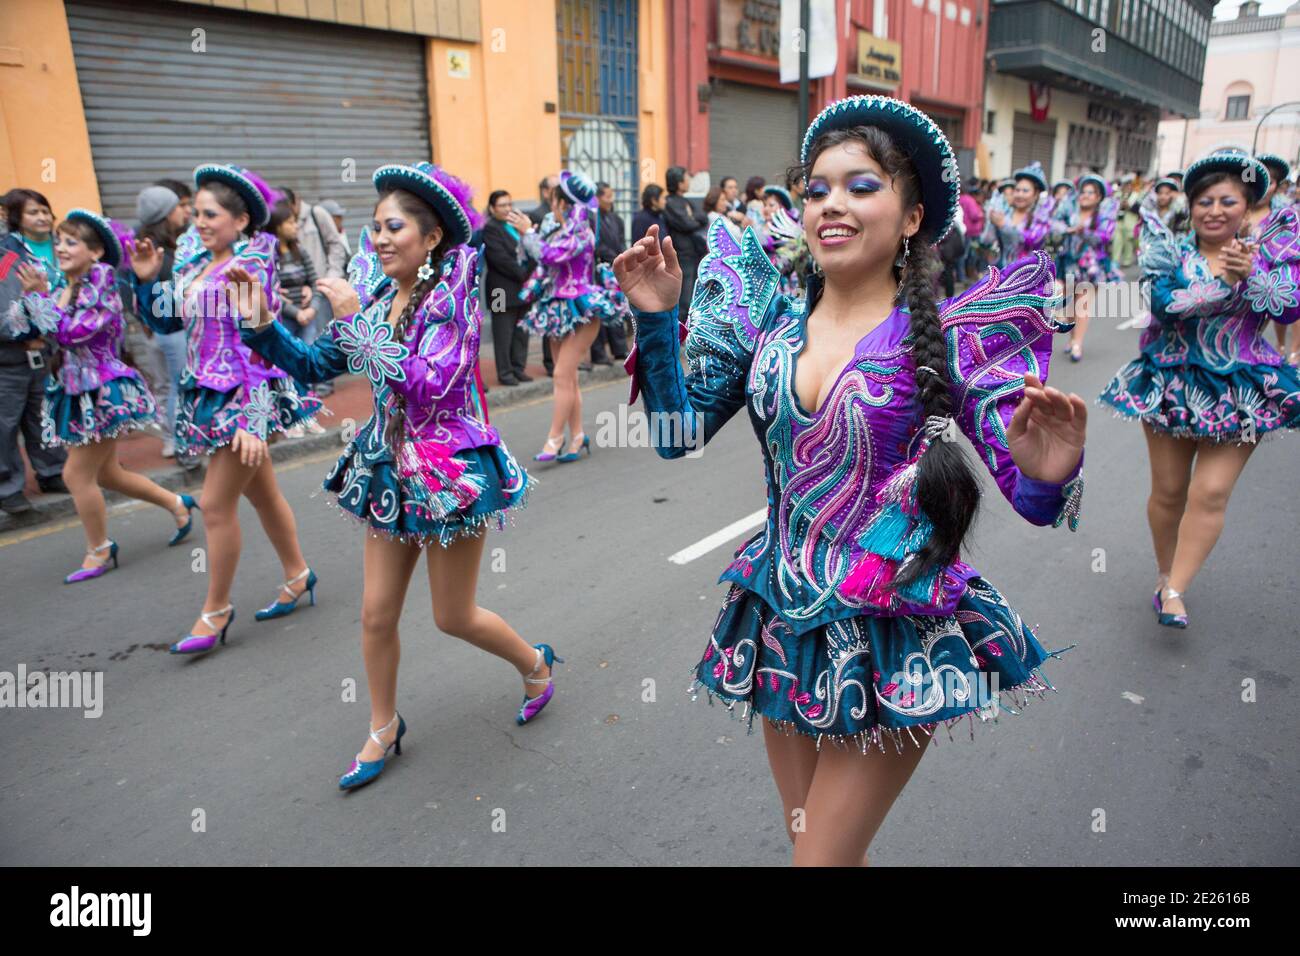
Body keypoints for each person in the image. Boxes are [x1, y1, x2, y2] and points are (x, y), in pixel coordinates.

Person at [615, 95, 1086, 866]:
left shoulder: (945, 342)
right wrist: (657, 318)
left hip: (893, 629)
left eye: (862, 186)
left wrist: (1048, 470)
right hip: (781, 621)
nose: (833, 203)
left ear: (909, 218)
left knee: (818, 860)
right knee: (817, 846)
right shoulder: (770, 326)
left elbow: (1034, 500)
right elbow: (675, 437)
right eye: (818, 188)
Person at [239, 161, 550, 790]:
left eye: (393, 226)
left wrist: (356, 322)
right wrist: (263, 326)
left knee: (451, 615)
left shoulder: (453, 299)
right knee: (376, 616)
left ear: (431, 237)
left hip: (449, 472)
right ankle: (384, 725)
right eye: (375, 227)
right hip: (388, 471)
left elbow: (430, 386)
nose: (378, 238)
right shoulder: (378, 295)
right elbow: (309, 365)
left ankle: (536, 665)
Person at [1098, 152, 1300, 628]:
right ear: (1190, 207)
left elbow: (1289, 308)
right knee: (1170, 492)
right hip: (1171, 382)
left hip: (1244, 390)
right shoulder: (1171, 252)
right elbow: (1166, 305)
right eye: (1203, 200)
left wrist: (1251, 275)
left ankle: (1175, 589)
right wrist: (1223, 281)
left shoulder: (1271, 252)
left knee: (1210, 493)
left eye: (1227, 200)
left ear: (1248, 206)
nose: (1214, 210)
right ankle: (1165, 569)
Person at [130, 163, 323, 654]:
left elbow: (256, 343)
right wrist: (150, 282)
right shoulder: (195, 263)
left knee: (216, 505)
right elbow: (166, 322)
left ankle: (215, 610)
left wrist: (253, 420)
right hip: (206, 393)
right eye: (195, 213)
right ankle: (299, 575)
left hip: (244, 395)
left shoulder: (250, 264)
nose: (200, 221)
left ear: (240, 221)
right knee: (260, 493)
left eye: (211, 214)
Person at [12, 209, 198, 580]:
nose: (61, 248)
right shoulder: (65, 282)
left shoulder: (103, 283)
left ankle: (99, 549)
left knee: (75, 476)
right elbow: (24, 327)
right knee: (108, 474)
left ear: (96, 252)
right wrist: (36, 298)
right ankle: (178, 503)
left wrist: (40, 300)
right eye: (59, 241)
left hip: (101, 391)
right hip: (73, 389)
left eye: (71, 241)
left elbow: (70, 333)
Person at [518, 170, 618, 462]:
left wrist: (528, 233)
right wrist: (528, 236)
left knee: (561, 374)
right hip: (556, 306)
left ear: (562, 203)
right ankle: (577, 437)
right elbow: (529, 258)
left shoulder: (580, 233)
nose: (552, 204)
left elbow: (548, 255)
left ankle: (554, 438)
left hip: (583, 306)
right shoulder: (556, 229)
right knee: (568, 377)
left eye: (555, 199)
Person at [0, 189, 67, 512]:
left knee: (43, 415)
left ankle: (52, 471)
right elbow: (6, 306)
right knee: (6, 422)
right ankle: (8, 487)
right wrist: (24, 331)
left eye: (45, 210)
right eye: (32, 212)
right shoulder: (7, 257)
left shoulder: (61, 248)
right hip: (12, 355)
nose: (42, 217)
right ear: (14, 218)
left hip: (49, 351)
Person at [132, 184, 195, 461]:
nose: (187, 212)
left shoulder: (163, 246)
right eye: (179, 207)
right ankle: (182, 444)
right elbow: (161, 306)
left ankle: (176, 439)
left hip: (164, 330)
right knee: (179, 387)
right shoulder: (155, 252)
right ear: (166, 213)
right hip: (171, 330)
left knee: (170, 386)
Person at [1052, 173, 1120, 362]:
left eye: (1091, 193)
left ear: (1098, 197)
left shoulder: (1103, 215)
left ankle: (1077, 344)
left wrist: (1086, 232)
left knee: (1083, 305)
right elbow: (1053, 226)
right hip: (1067, 262)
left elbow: (1105, 237)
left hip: (1091, 266)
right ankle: (1073, 337)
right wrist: (1067, 229)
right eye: (1083, 192)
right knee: (1066, 305)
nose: (1086, 195)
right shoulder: (1069, 210)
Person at [481, 189, 535, 386]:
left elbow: (531, 250)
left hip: (523, 287)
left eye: (509, 204)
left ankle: (518, 368)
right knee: (502, 332)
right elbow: (500, 259)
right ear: (492, 208)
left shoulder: (516, 226)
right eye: (502, 205)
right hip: (499, 290)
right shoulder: (490, 228)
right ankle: (505, 373)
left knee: (522, 330)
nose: (507, 209)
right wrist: (524, 273)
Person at [981, 162, 1054, 268]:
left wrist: (1003, 225)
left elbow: (1029, 241)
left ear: (1035, 194)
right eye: (1017, 190)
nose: (1020, 195)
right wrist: (991, 222)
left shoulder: (1041, 219)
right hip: (1001, 274)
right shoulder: (1006, 213)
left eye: (1025, 191)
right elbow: (986, 241)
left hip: (1027, 276)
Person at [591, 181, 630, 364]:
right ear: (597, 198)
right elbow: (595, 245)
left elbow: (621, 241)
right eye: (607, 196)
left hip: (615, 269)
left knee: (617, 308)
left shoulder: (615, 219)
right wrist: (612, 256)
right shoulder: (592, 219)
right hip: (598, 270)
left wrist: (622, 257)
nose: (610, 200)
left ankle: (620, 349)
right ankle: (599, 353)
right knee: (600, 312)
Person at [662, 166, 708, 315]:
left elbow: (703, 217)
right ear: (679, 182)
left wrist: (692, 218)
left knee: (693, 296)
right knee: (684, 298)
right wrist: (692, 219)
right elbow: (686, 223)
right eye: (686, 178)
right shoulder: (670, 203)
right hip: (681, 255)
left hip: (694, 253)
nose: (688, 182)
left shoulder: (687, 201)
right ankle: (681, 332)